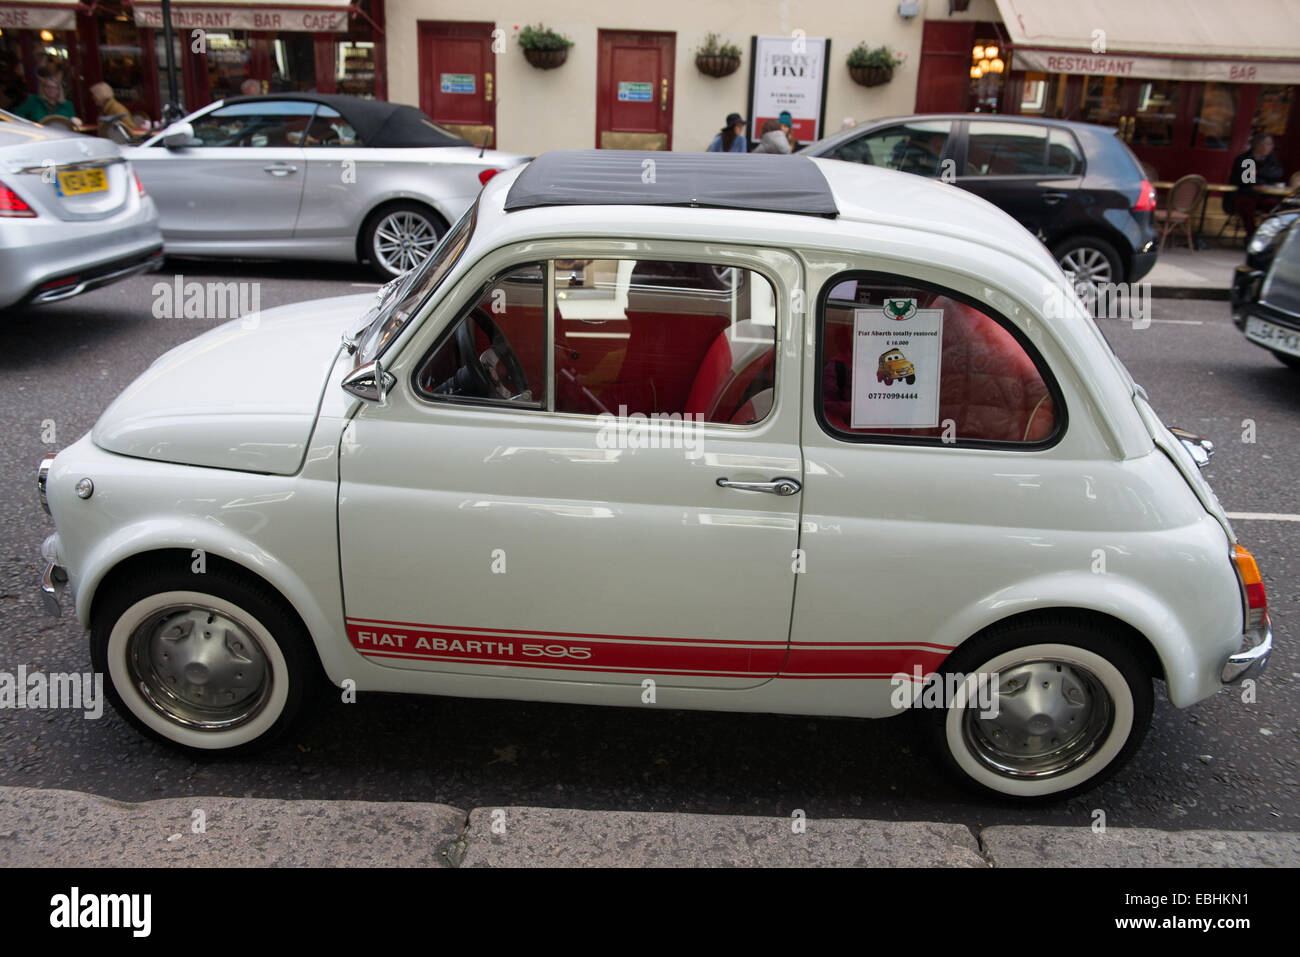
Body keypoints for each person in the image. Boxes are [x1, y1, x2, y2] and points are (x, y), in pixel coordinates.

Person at [1226, 132, 1286, 234]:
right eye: (1268, 144)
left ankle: (1266, 234)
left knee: (1275, 206)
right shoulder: (1245, 159)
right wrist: (1267, 176)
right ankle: (1251, 234)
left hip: (1265, 195)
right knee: (1246, 205)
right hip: (1245, 194)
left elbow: (1278, 173)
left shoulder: (1271, 159)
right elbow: (1248, 180)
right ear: (1258, 145)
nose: (1271, 147)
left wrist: (1259, 173)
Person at [13, 73, 77, 124]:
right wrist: (29, 125)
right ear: (43, 88)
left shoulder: (68, 105)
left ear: (59, 90)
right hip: (40, 135)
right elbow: (18, 114)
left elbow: (73, 122)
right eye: (48, 87)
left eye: (54, 87)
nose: (51, 90)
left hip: (62, 136)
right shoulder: (34, 101)